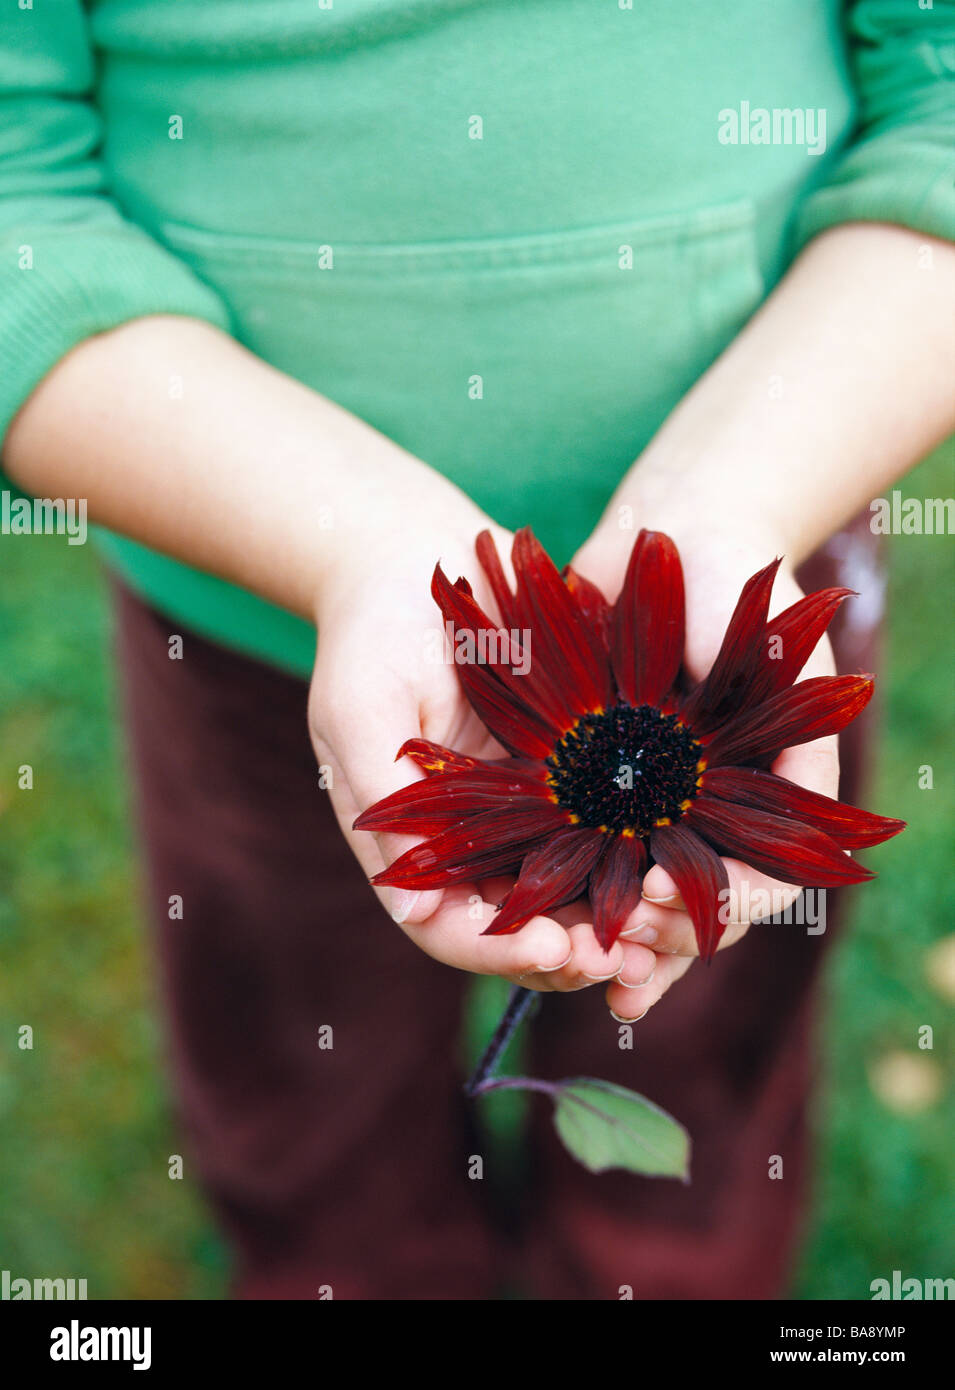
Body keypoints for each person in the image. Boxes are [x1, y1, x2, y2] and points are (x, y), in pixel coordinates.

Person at [1, 1, 952, 1299]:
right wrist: (354, 544)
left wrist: (730, 510)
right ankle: (350, 1264)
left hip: (745, 617)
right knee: (303, 1045)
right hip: (248, 619)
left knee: (690, 1025)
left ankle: (657, 1267)